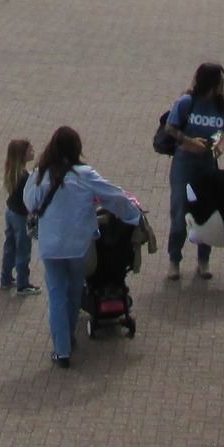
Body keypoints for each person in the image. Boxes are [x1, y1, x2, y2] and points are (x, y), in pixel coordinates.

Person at [22, 126, 142, 368]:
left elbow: (29, 202)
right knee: (75, 289)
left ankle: (62, 349)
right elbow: (114, 196)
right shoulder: (84, 174)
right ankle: (69, 337)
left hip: (52, 246)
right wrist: (134, 216)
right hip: (80, 245)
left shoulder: (41, 174)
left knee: (56, 294)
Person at [163, 61, 224, 281]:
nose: (223, 84)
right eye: (220, 80)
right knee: (179, 215)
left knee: (206, 214)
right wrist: (189, 140)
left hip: (207, 165)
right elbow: (170, 127)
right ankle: (174, 260)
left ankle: (203, 261)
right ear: (211, 83)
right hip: (184, 165)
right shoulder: (187, 102)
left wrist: (220, 146)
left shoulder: (220, 106)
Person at [0, 138, 41, 297]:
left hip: (11, 212)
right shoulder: (25, 177)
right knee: (23, 250)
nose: (33, 151)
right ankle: (23, 284)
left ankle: (6, 278)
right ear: (22, 155)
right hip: (22, 217)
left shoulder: (13, 172)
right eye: (30, 150)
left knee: (10, 246)